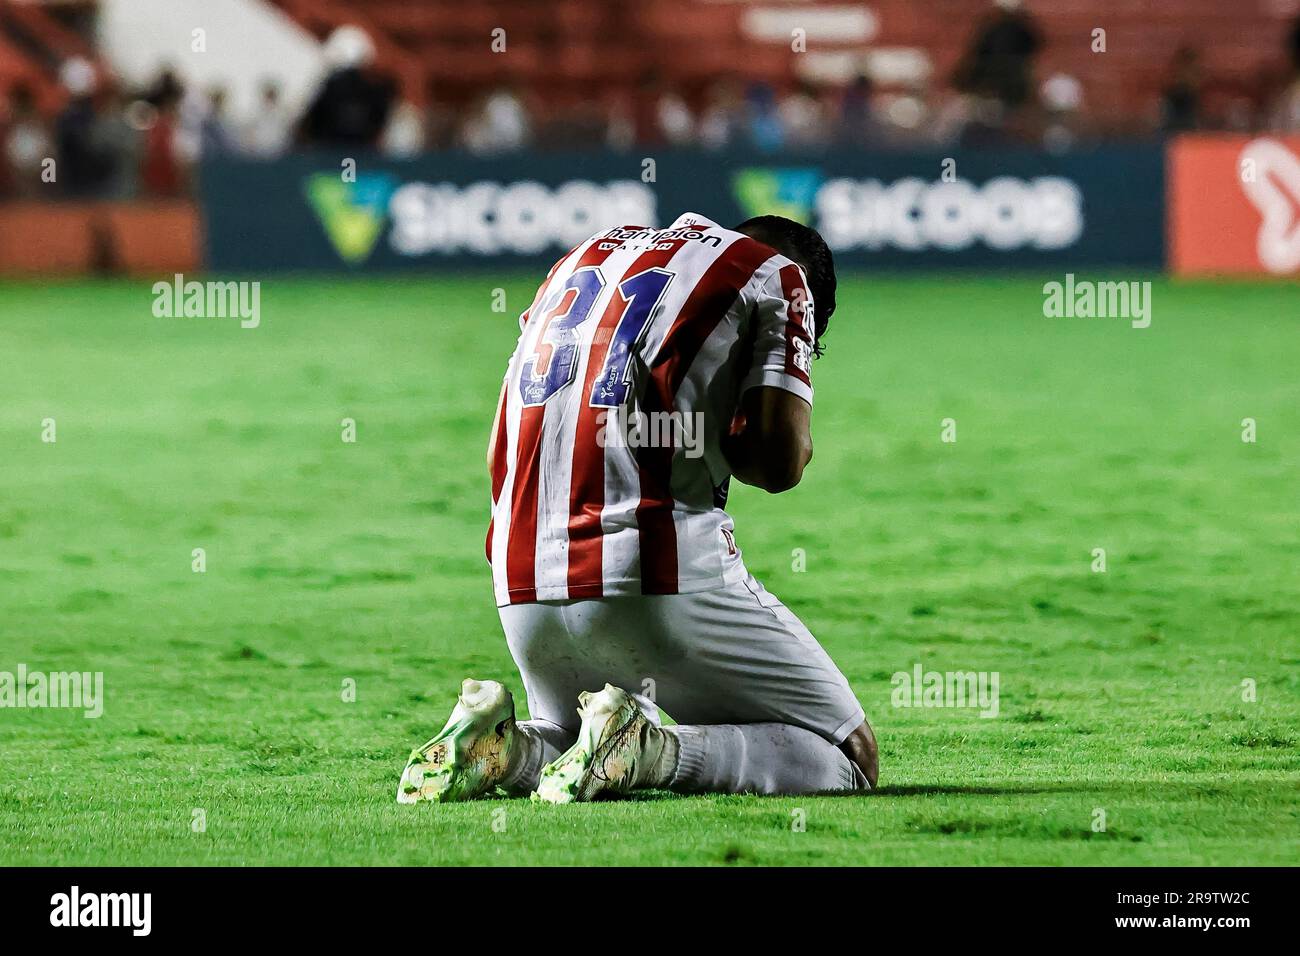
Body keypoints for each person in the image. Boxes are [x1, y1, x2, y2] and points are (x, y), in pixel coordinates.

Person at [398, 212, 878, 804]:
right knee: (850, 756)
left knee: (569, 737)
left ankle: (503, 747)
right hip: (650, 575)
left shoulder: (579, 259)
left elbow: (504, 445)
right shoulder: (778, 276)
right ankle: (654, 751)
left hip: (518, 579)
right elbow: (778, 465)